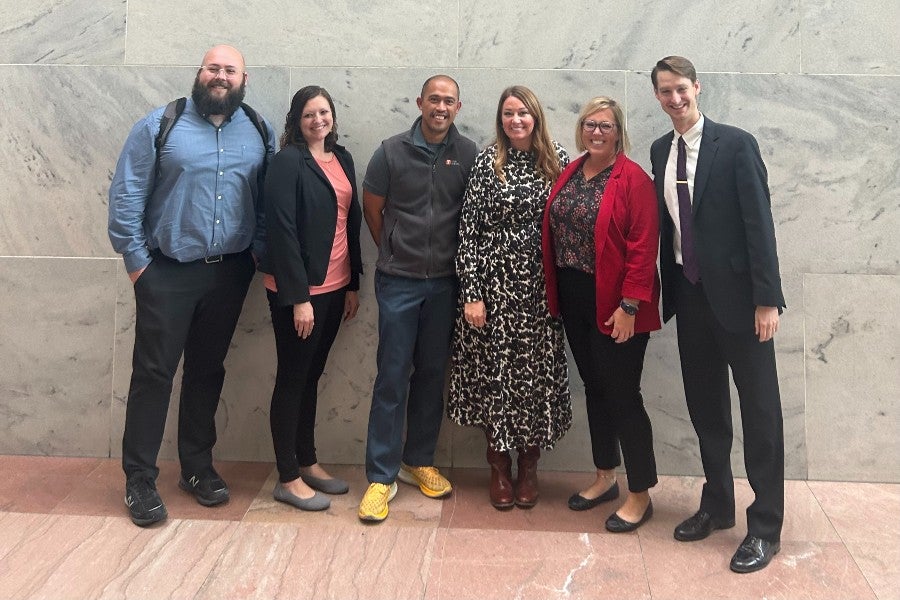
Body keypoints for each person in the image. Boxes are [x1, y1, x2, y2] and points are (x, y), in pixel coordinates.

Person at [108, 45, 275, 526]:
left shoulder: (257, 130)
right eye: (213, 68)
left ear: (244, 77)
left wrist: (257, 256)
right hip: (167, 272)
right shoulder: (160, 125)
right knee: (153, 374)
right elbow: (127, 195)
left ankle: (196, 468)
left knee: (207, 369)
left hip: (229, 273)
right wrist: (140, 267)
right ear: (199, 73)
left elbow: (264, 204)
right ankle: (139, 479)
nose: (220, 76)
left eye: (230, 70)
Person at [649, 56, 786, 573]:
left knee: (761, 415)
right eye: (665, 92)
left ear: (697, 88)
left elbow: (760, 224)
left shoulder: (735, 144)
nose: (675, 99)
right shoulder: (662, 149)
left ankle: (766, 525)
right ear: (658, 96)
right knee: (706, 408)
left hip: (744, 306)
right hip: (690, 298)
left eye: (681, 89)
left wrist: (767, 299)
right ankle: (718, 504)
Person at [359, 75, 477, 522]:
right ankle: (380, 477)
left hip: (446, 284)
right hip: (399, 282)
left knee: (432, 373)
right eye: (434, 99)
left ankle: (418, 460)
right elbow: (373, 207)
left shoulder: (468, 155)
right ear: (419, 103)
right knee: (391, 375)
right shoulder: (390, 151)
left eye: (448, 101)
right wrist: (392, 247)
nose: (440, 107)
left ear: (458, 107)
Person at [542, 96, 661, 531]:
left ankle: (640, 493)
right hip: (575, 297)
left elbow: (644, 248)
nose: (596, 132)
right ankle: (604, 476)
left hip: (617, 304)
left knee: (623, 395)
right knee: (595, 387)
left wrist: (630, 306)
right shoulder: (572, 170)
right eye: (590, 124)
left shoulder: (634, 180)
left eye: (605, 126)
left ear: (618, 132)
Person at [449, 85, 571, 510]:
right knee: (494, 379)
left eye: (522, 113)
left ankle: (530, 465)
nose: (515, 120)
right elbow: (468, 231)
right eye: (507, 114)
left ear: (535, 116)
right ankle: (498, 466)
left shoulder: (558, 160)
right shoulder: (488, 161)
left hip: (539, 295)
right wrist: (472, 294)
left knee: (533, 381)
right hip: (493, 292)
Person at [261, 86, 362, 512]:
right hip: (301, 293)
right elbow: (280, 230)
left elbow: (349, 223)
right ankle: (287, 477)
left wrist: (353, 282)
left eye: (323, 112)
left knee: (311, 376)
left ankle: (307, 460)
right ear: (297, 121)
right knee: (292, 378)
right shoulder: (286, 162)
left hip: (337, 287)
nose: (317, 120)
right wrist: (298, 298)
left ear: (333, 117)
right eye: (308, 114)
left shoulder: (343, 159)